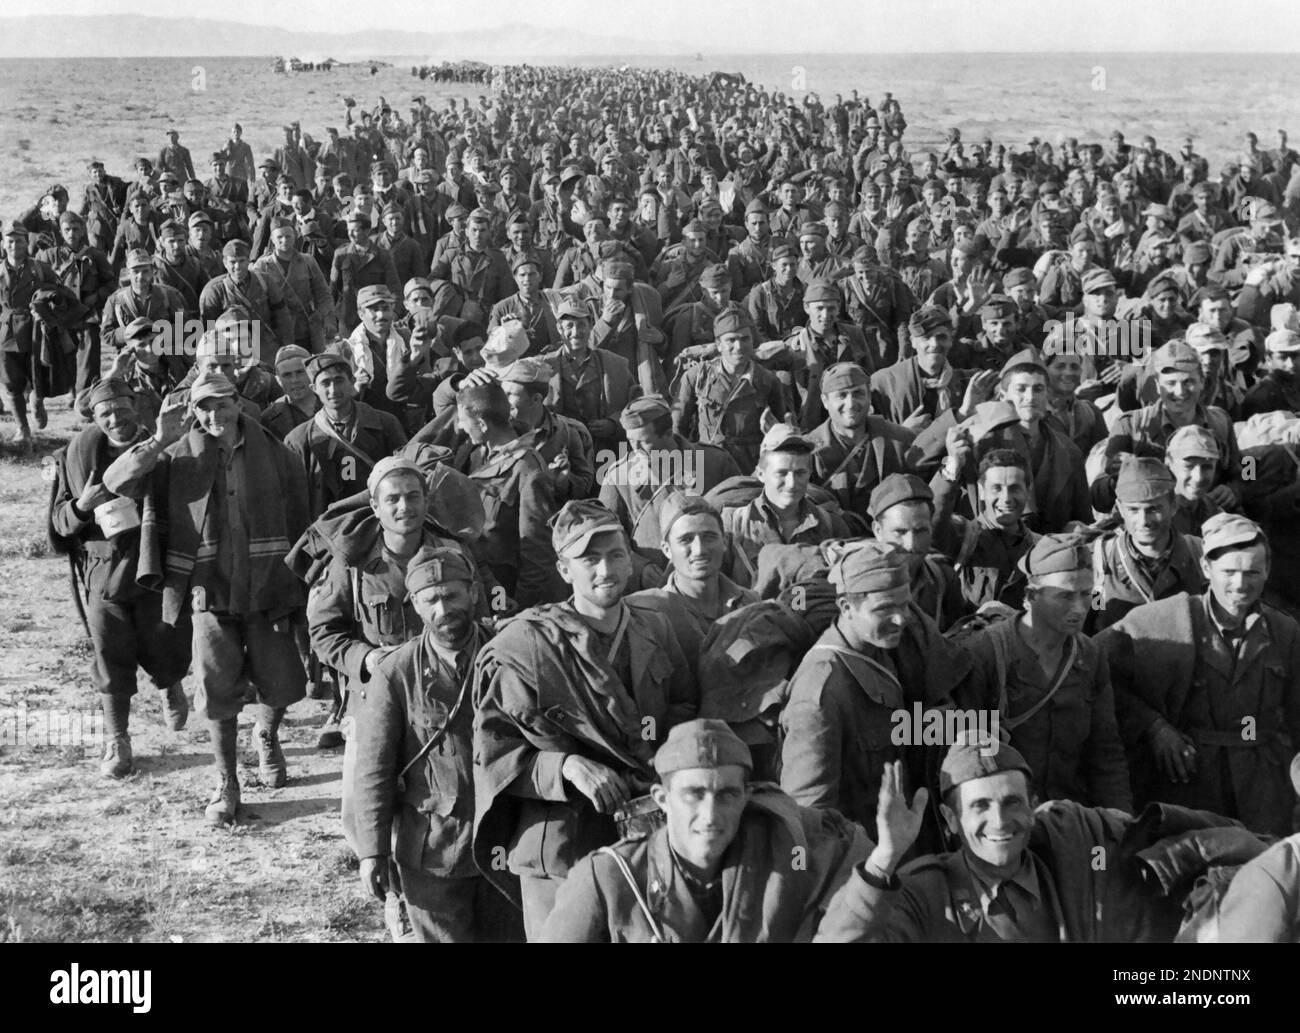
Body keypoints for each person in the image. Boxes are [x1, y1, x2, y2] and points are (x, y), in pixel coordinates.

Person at [472, 500, 698, 938]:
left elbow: (683, 709)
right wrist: (566, 766)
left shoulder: (656, 627)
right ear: (562, 570)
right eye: (588, 559)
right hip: (562, 840)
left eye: (615, 555)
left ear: (631, 559)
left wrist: (666, 761)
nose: (605, 570)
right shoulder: (526, 645)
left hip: (646, 833)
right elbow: (493, 752)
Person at [103, 369, 309, 824]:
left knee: (279, 679)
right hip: (208, 592)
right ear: (193, 411)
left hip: (268, 585)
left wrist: (297, 582)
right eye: (204, 406)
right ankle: (226, 781)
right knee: (217, 689)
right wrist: (157, 439)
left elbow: (300, 514)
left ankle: (268, 736)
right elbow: (117, 483)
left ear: (238, 403)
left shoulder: (278, 453)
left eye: (222, 403)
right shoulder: (177, 456)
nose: (214, 414)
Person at [815, 738, 1243, 942]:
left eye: (1013, 803)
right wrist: (885, 858)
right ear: (950, 819)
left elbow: (1189, 843)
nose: (1001, 820)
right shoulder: (924, 892)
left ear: (1033, 804)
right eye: (979, 807)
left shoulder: (1073, 858)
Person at [538, 719, 871, 942]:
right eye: (693, 795)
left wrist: (884, 861)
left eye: (727, 795)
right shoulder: (609, 878)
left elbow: (851, 913)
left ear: (747, 797)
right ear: (662, 799)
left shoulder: (780, 855)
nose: (710, 814)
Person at [1101, 513, 1300, 836]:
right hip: (1189, 785)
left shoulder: (1285, 631)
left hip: (1263, 790)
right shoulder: (1164, 621)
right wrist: (1154, 727)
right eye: (1229, 572)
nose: (1240, 584)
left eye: (1252, 572)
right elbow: (1098, 672)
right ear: (1207, 569)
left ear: (1267, 570)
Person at [352, 545, 510, 943]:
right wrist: (373, 850)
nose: (443, 610)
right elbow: (375, 769)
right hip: (435, 853)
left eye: (452, 595)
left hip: (506, 842)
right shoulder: (396, 674)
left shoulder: (510, 653)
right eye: (431, 600)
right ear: (416, 606)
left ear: (473, 593)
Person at [780, 539, 969, 845]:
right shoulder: (821, 692)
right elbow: (809, 815)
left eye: (906, 604)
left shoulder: (888, 650)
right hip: (861, 863)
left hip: (905, 842)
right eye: (885, 609)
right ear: (845, 607)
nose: (902, 619)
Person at [48, 379, 192, 778]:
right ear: (94, 418)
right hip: (103, 574)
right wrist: (80, 506)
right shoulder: (76, 457)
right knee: (110, 656)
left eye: (122, 409)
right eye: (105, 414)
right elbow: (59, 525)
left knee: (164, 640)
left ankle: (170, 684)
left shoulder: (163, 449)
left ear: (136, 406)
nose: (116, 420)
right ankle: (119, 739)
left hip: (153, 568)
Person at [955, 534, 1132, 810]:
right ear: (1030, 596)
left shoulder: (1090, 655)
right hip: (1006, 818)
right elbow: (961, 756)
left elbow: (1105, 752)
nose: (1079, 608)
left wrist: (1117, 822)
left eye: (1086, 595)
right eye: (1064, 596)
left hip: (1070, 816)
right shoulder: (986, 653)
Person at [453, 377, 564, 607]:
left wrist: (522, 607)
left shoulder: (527, 468)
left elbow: (536, 548)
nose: (460, 427)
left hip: (505, 589)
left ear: (483, 424)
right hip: (478, 578)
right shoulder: (476, 455)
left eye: (464, 421)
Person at [598, 395, 739, 550]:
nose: (636, 449)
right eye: (631, 441)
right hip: (653, 570)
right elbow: (607, 537)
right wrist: (642, 567)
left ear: (667, 434)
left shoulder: (715, 462)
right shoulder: (618, 477)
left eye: (644, 442)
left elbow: (739, 520)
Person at [719, 422, 849, 589]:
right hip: (754, 612)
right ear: (761, 474)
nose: (791, 483)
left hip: (806, 610)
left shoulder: (830, 525)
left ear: (810, 474)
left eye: (800, 473)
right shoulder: (733, 525)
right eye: (781, 473)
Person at [284, 351, 408, 518]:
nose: (333, 389)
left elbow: (402, 475)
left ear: (351, 382)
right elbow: (295, 500)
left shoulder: (385, 424)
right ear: (314, 389)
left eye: (339, 380)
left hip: (377, 519)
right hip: (327, 527)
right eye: (325, 383)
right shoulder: (299, 440)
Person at [1090, 456, 1207, 632]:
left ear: (1173, 506)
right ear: (1120, 509)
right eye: (1133, 510)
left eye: (1154, 509)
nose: (1144, 521)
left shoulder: (1201, 555)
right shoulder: (1099, 563)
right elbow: (1093, 620)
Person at [674, 305, 789, 472]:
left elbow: (779, 431)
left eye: (745, 339)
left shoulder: (768, 381)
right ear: (719, 345)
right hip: (707, 464)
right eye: (731, 340)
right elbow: (678, 427)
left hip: (750, 467)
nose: (739, 346)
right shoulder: (697, 377)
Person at [260, 344, 320, 441]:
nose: (294, 380)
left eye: (300, 372)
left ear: (312, 372)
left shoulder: (332, 401)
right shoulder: (269, 417)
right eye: (287, 375)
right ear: (278, 380)